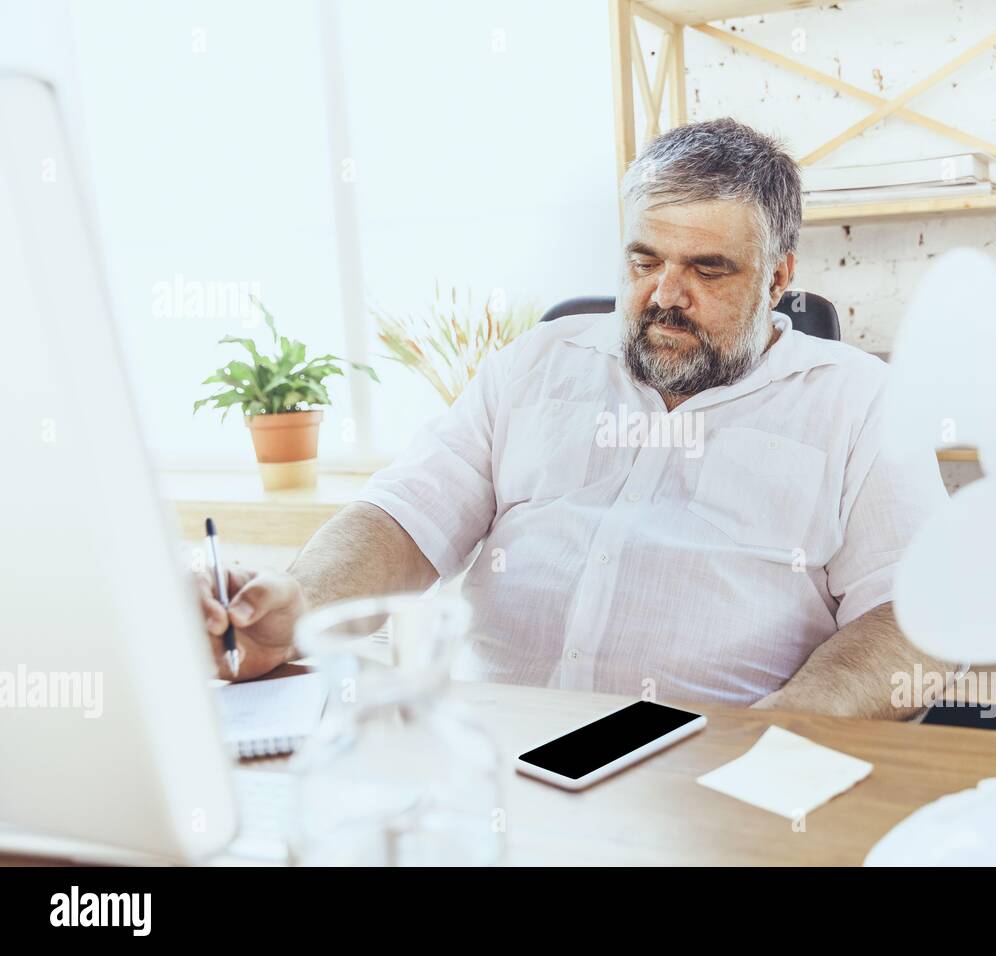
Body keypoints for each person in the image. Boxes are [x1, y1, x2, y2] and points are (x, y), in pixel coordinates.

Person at [196, 118, 953, 718]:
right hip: (492, 754)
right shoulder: (534, 365)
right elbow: (398, 520)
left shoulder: (863, 403)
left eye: (707, 269)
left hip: (717, 776)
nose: (664, 294)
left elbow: (915, 616)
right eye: (644, 260)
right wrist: (298, 611)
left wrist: (778, 732)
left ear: (780, 276)